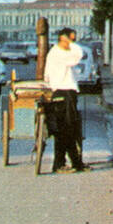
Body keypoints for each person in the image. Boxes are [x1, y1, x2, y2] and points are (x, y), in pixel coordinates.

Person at [43, 27, 85, 173]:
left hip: (59, 91)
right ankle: (68, 163)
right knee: (67, 129)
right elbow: (78, 55)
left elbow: (47, 75)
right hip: (65, 91)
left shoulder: (53, 53)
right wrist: (71, 43)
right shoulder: (59, 53)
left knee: (64, 129)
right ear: (63, 38)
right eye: (71, 39)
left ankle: (69, 162)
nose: (73, 42)